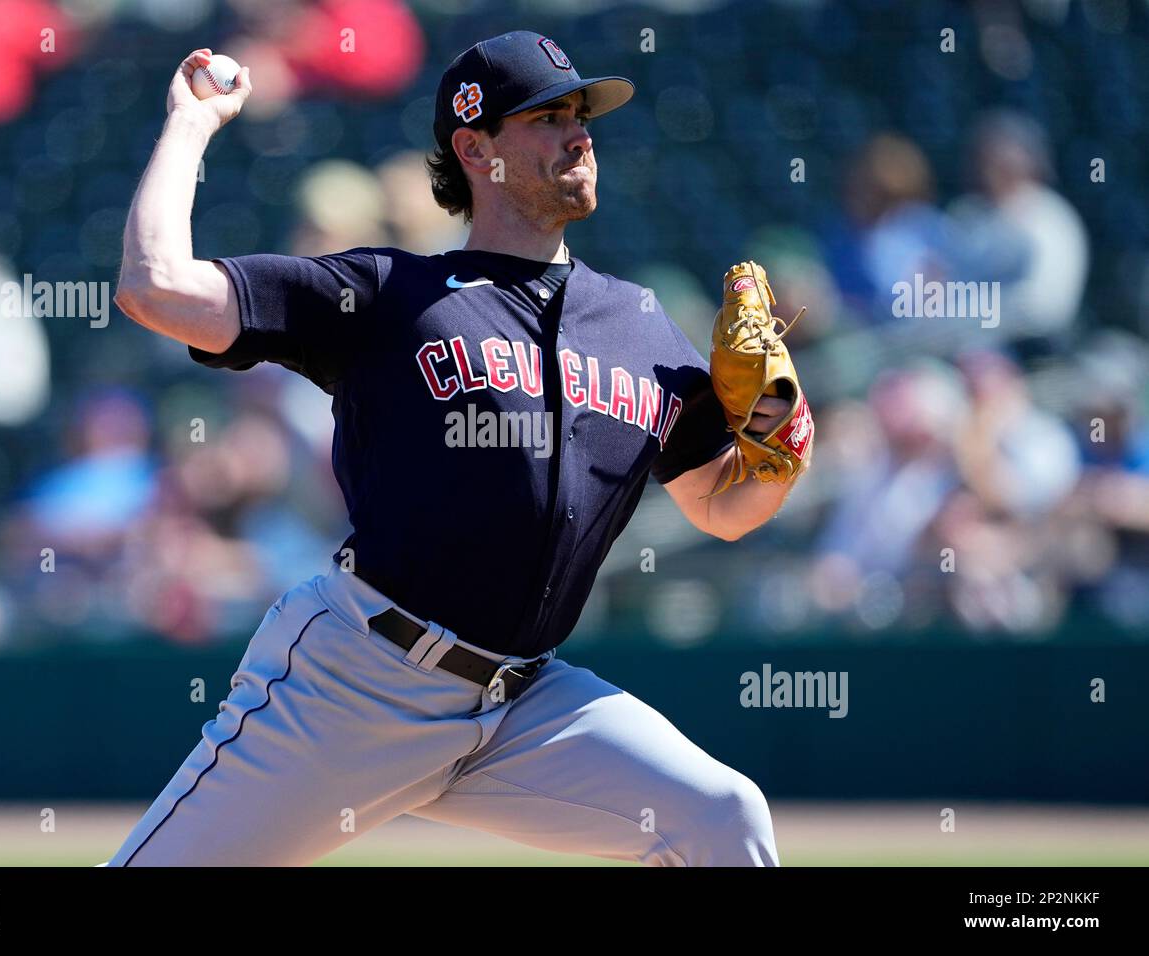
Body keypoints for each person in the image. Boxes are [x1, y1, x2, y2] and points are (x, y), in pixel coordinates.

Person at [108, 32, 809, 867]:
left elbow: (724, 506)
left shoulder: (639, 325)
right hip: (356, 681)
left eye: (581, 114)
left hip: (526, 703)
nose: (579, 133)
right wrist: (190, 126)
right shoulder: (386, 295)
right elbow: (154, 287)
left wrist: (775, 433)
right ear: (476, 148)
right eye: (548, 117)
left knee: (724, 814)